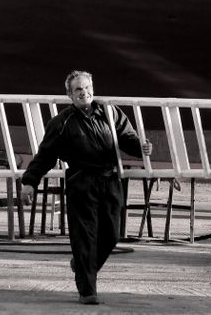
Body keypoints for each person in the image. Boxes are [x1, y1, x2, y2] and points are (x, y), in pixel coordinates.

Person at [21, 70, 153, 305]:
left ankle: (82, 266)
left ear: (93, 88)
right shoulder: (61, 123)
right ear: (69, 95)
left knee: (111, 235)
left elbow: (128, 139)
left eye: (87, 87)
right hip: (81, 182)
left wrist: (142, 147)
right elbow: (45, 156)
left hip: (110, 181)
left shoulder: (111, 113)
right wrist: (29, 182)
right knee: (84, 237)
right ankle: (87, 291)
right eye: (78, 89)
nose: (84, 92)